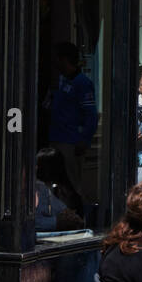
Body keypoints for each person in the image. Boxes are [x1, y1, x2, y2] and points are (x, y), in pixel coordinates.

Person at [48, 43, 98, 203]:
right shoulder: (60, 81)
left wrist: (85, 139)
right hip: (56, 138)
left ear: (65, 60)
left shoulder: (82, 83)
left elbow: (91, 114)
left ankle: (79, 215)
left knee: (72, 183)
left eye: (58, 59)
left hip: (70, 142)